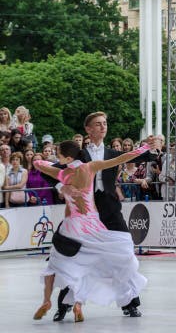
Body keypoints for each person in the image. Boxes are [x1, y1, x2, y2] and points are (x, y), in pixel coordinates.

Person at [50, 112, 156, 320]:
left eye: (105, 123)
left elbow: (138, 156)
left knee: (124, 252)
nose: (102, 127)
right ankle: (64, 305)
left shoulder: (111, 152)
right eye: (98, 124)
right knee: (75, 255)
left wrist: (150, 148)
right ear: (88, 129)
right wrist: (63, 188)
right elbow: (54, 171)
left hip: (109, 207)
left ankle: (130, 303)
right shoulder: (79, 154)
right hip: (84, 211)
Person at [32, 140, 149, 322]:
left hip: (73, 225)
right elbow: (123, 158)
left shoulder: (63, 173)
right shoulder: (90, 167)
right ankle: (76, 304)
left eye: (58, 154)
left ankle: (47, 300)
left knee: (58, 263)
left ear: (68, 158)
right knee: (95, 262)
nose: (56, 156)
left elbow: (37, 163)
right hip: (92, 223)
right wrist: (143, 148)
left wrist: (62, 186)